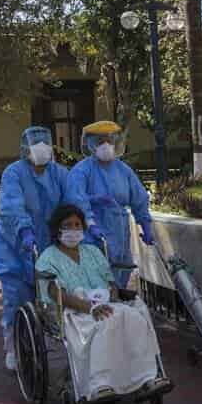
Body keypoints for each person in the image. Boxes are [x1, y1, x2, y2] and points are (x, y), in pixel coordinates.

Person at [36, 204, 169, 400]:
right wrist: (90, 308)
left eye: (77, 225)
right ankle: (100, 384)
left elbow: (109, 282)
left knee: (135, 319)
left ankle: (147, 378)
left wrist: (112, 298)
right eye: (67, 225)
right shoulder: (48, 257)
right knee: (104, 324)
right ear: (57, 229)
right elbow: (56, 293)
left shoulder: (92, 251)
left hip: (106, 303)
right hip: (74, 310)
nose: (73, 230)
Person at [0, 126, 68, 371]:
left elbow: (73, 201)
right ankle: (13, 346)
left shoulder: (59, 174)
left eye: (45, 142)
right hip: (14, 243)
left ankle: (57, 336)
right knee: (16, 296)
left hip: (48, 241)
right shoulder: (14, 173)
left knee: (53, 291)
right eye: (36, 143)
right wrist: (24, 230)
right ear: (25, 149)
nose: (42, 148)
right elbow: (12, 206)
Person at [65, 121, 154, 288]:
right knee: (95, 276)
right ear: (91, 145)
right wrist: (90, 222)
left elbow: (139, 197)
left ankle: (116, 305)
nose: (106, 146)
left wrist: (146, 226)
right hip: (92, 233)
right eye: (100, 142)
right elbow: (75, 199)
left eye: (110, 141)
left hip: (120, 230)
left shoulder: (123, 170)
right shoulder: (82, 170)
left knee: (121, 271)